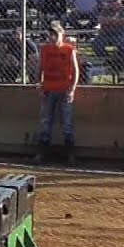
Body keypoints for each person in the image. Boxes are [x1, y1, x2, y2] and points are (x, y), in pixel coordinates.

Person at [35, 22, 79, 164]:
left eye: (55, 34)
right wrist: (39, 86)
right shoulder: (44, 50)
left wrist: (71, 90)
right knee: (46, 121)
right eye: (51, 35)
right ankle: (42, 152)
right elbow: (39, 69)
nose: (53, 37)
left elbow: (76, 71)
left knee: (67, 122)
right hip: (48, 89)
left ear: (62, 35)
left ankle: (70, 154)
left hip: (64, 89)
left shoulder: (69, 49)